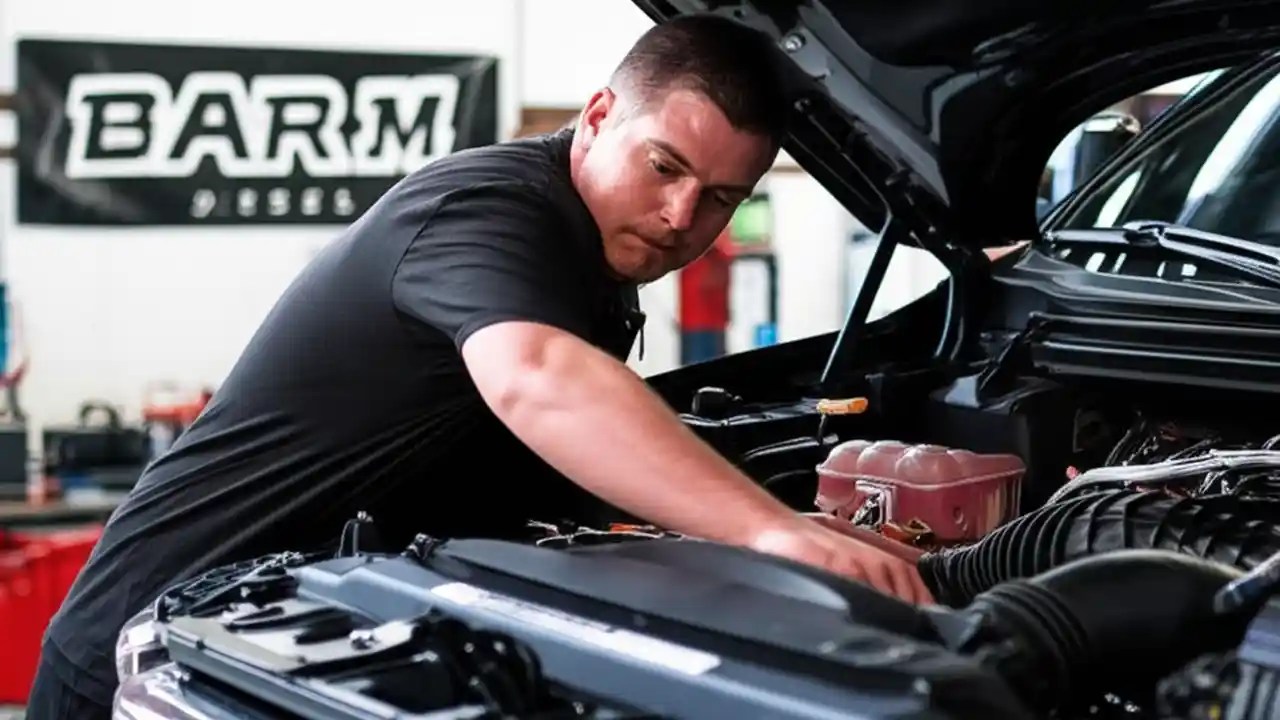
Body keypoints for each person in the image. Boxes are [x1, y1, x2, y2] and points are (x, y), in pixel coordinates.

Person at [26, 14, 932, 719]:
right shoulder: (487, 211)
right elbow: (536, 378)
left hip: (289, 651)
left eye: (720, 199)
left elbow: (556, 472)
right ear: (599, 117)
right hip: (148, 655)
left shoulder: (594, 271)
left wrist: (794, 530)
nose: (680, 216)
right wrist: (766, 533)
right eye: (664, 167)